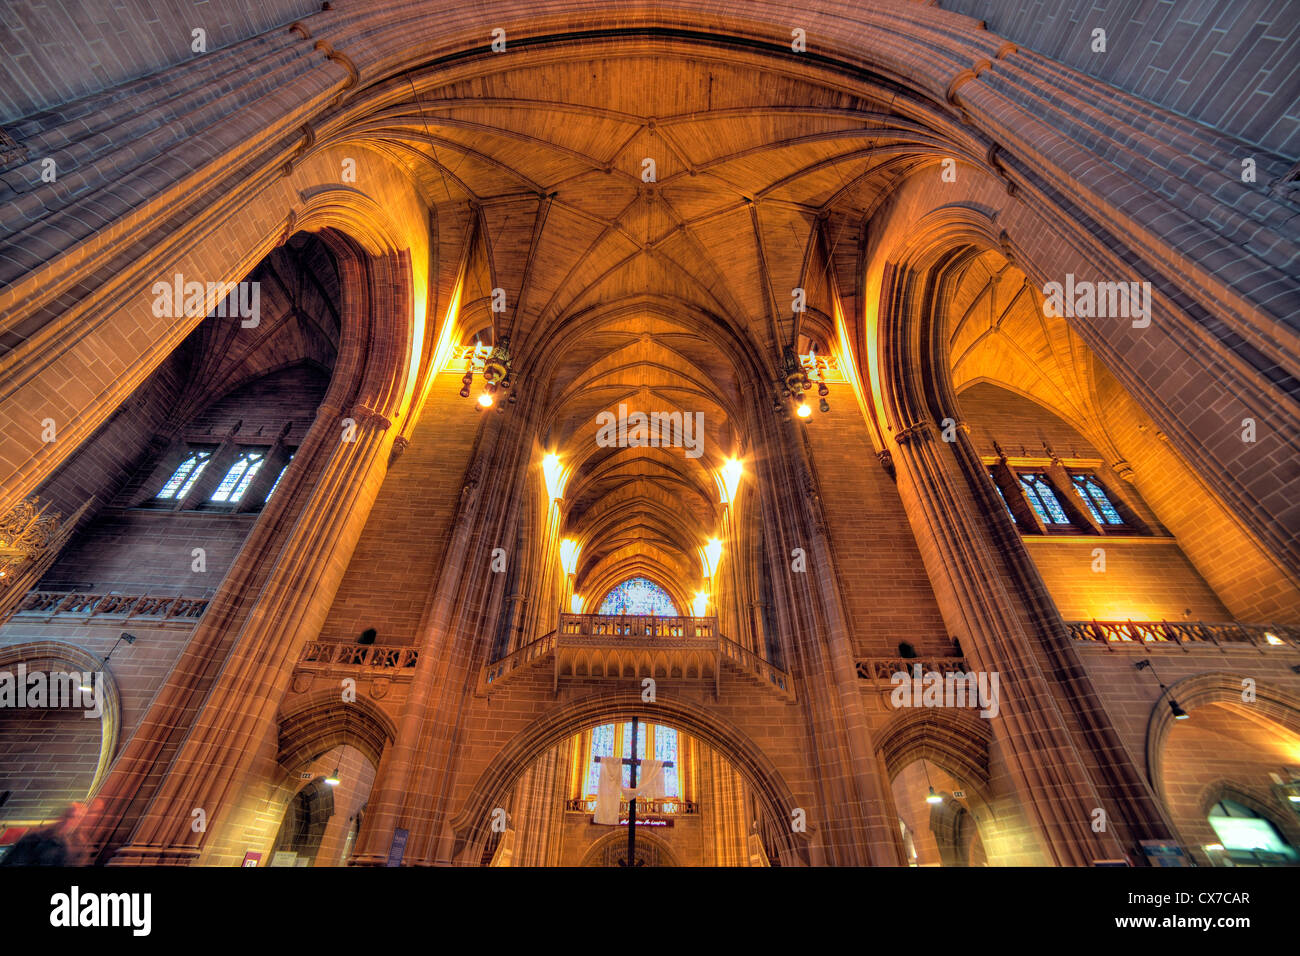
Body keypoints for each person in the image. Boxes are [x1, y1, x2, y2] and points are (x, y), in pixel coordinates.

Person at [0, 802, 88, 866]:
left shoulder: (78, 848)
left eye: (76, 818)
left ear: (80, 821)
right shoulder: (33, 838)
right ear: (62, 815)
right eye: (68, 816)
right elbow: (12, 860)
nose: (68, 821)